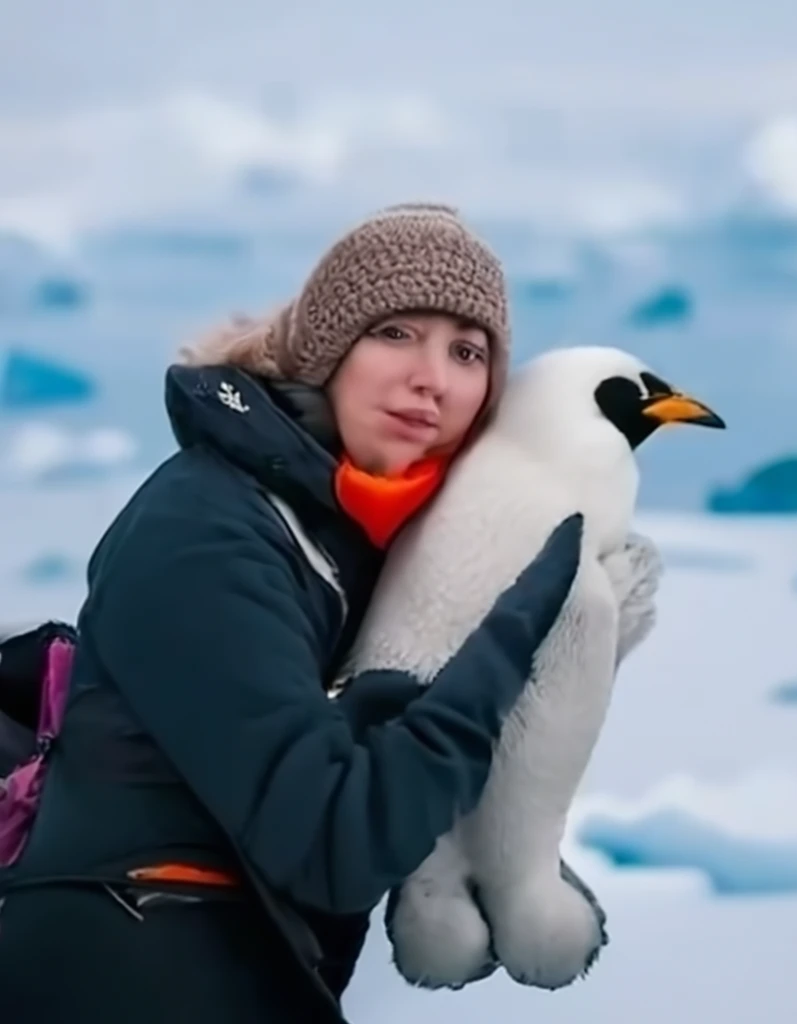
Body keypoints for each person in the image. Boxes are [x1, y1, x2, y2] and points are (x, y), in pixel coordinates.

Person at [0, 203, 626, 1024]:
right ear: (328, 349)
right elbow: (335, 841)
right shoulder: (206, 528)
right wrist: (508, 642)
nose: (431, 377)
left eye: (467, 352)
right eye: (395, 333)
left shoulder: (345, 550)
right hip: (127, 966)